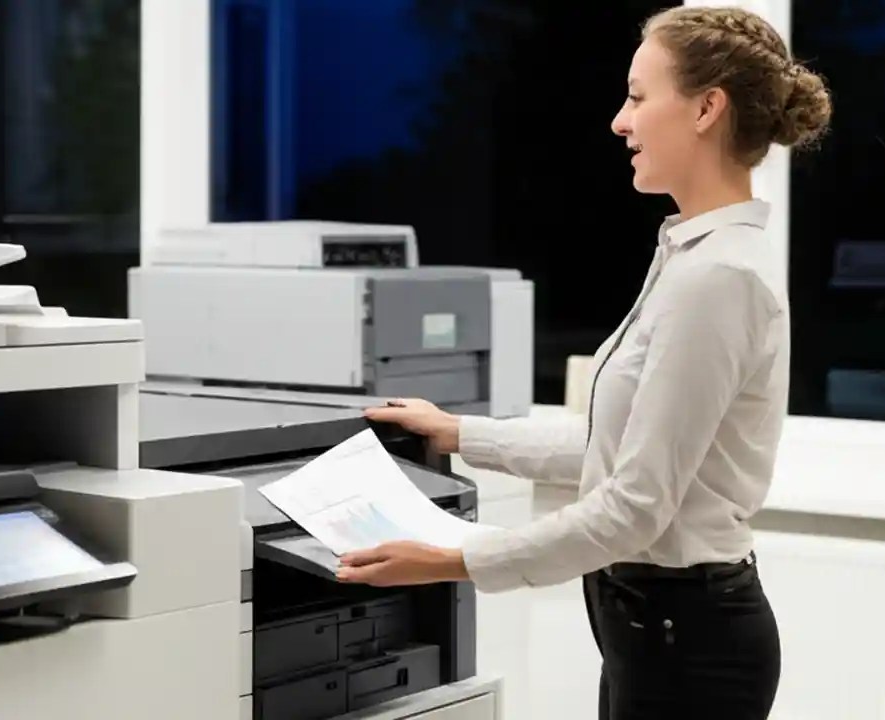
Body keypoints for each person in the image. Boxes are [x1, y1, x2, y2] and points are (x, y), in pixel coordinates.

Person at [335, 6, 832, 719]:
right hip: (657, 634)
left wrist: (452, 562)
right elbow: (620, 448)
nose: (620, 122)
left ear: (706, 109)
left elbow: (636, 506)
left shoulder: (718, 277)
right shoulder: (692, 256)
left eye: (637, 96)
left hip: (688, 646)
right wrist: (461, 434)